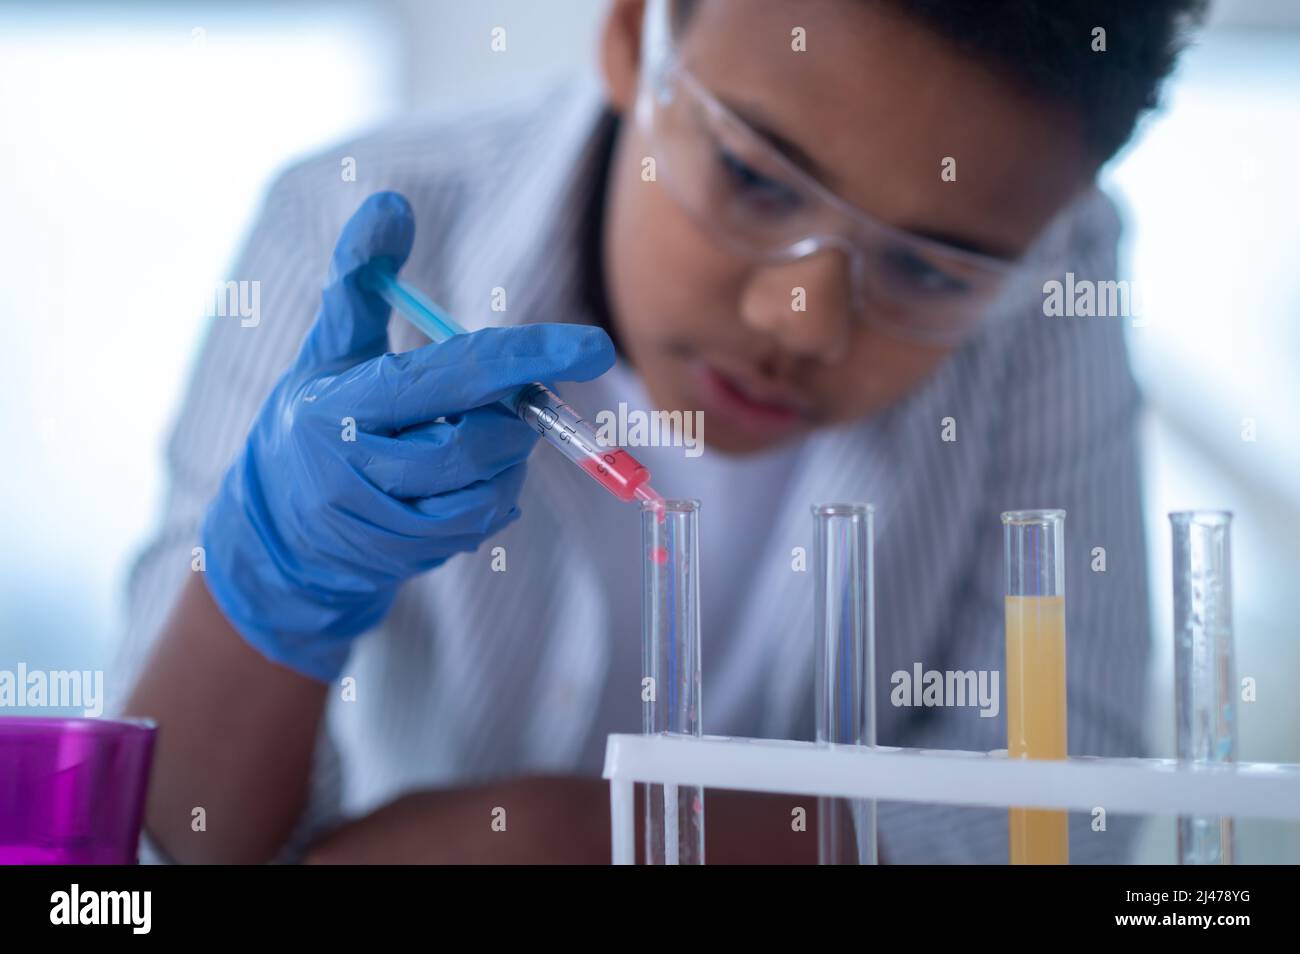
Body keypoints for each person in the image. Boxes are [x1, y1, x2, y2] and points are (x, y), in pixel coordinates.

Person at [115, 0, 1205, 863]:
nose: (803, 322)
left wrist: (581, 843)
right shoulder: (365, 226)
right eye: (753, 177)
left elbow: (1063, 810)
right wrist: (265, 596)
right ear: (635, 35)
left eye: (927, 268)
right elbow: (164, 850)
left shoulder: (1050, 274)